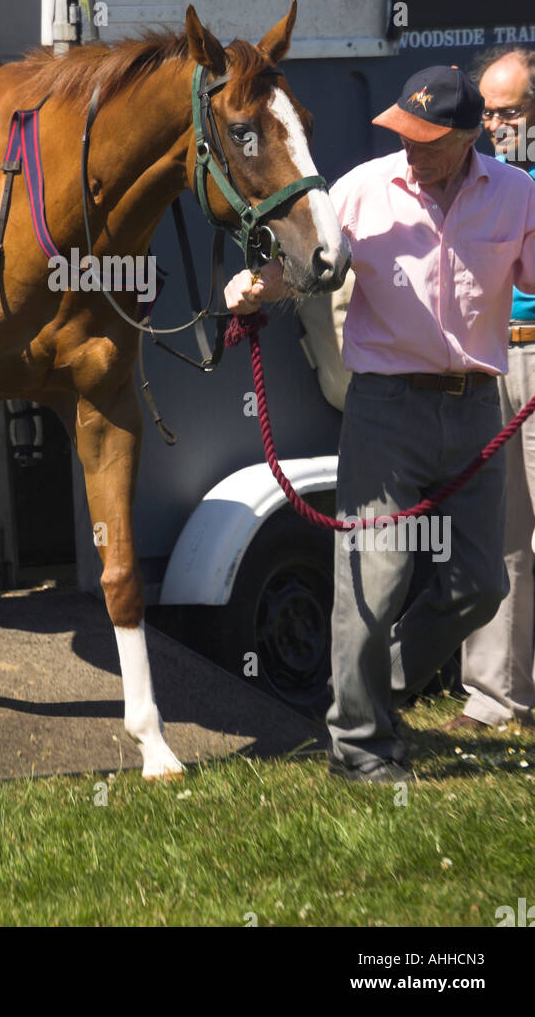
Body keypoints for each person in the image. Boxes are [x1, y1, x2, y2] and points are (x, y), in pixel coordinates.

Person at [225, 65, 535, 782]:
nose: (411, 150)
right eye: (403, 134)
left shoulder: (517, 195)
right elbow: (306, 266)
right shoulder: (361, 188)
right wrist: (256, 287)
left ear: (467, 139)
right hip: (386, 412)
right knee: (377, 577)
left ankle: (370, 688)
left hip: (475, 408)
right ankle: (360, 748)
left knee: (481, 585)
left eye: (425, 140)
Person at [447, 47, 535, 733]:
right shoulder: (478, 179)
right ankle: (493, 698)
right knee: (498, 539)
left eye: (511, 111)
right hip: (491, 364)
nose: (497, 125)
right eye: (489, 113)